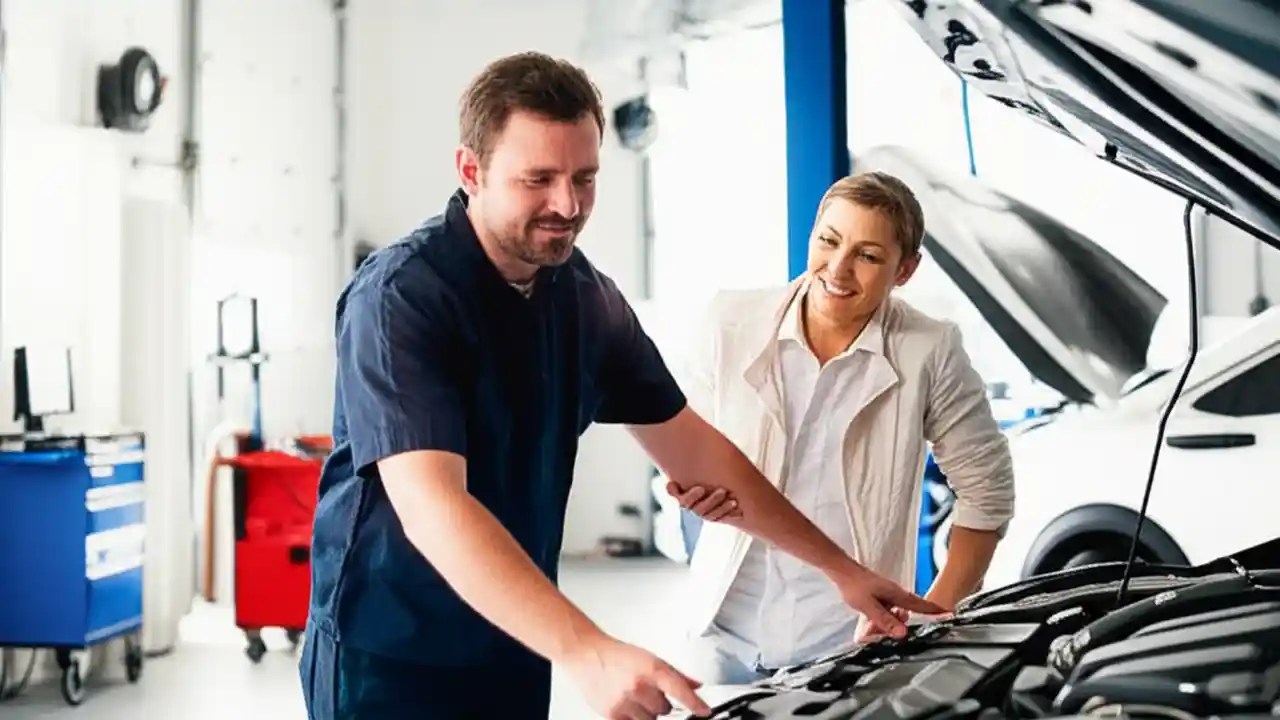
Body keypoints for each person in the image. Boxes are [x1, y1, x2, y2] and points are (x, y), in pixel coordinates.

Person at [299, 52, 943, 720]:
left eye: (585, 177)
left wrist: (843, 571)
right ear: (471, 170)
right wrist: (588, 651)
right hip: (392, 653)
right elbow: (434, 509)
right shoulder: (402, 297)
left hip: (517, 634)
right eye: (538, 179)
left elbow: (698, 450)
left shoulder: (581, 297)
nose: (568, 205)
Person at [668, 171, 1016, 685]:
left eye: (869, 255)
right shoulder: (729, 322)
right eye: (829, 241)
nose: (838, 267)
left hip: (844, 641)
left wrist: (935, 618)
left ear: (905, 271)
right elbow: (686, 446)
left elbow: (987, 494)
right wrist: (690, 487)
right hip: (721, 631)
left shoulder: (930, 350)